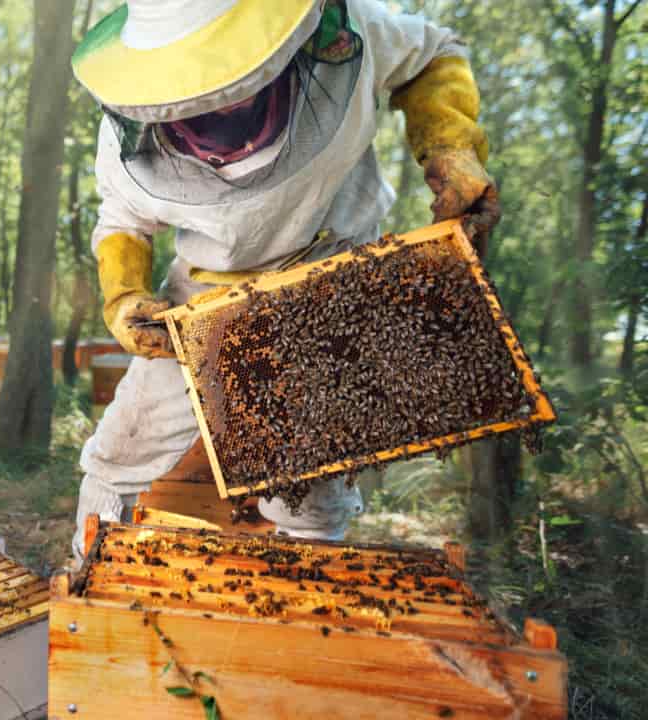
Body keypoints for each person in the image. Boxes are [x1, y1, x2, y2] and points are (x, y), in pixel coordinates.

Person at [69, 0, 501, 556]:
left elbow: (433, 55)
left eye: (230, 76)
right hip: (206, 300)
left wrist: (452, 146)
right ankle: (84, 580)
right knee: (120, 453)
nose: (219, 105)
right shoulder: (121, 140)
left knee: (309, 492)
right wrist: (125, 294)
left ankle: (303, 607)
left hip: (334, 277)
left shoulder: (349, 35)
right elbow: (124, 220)